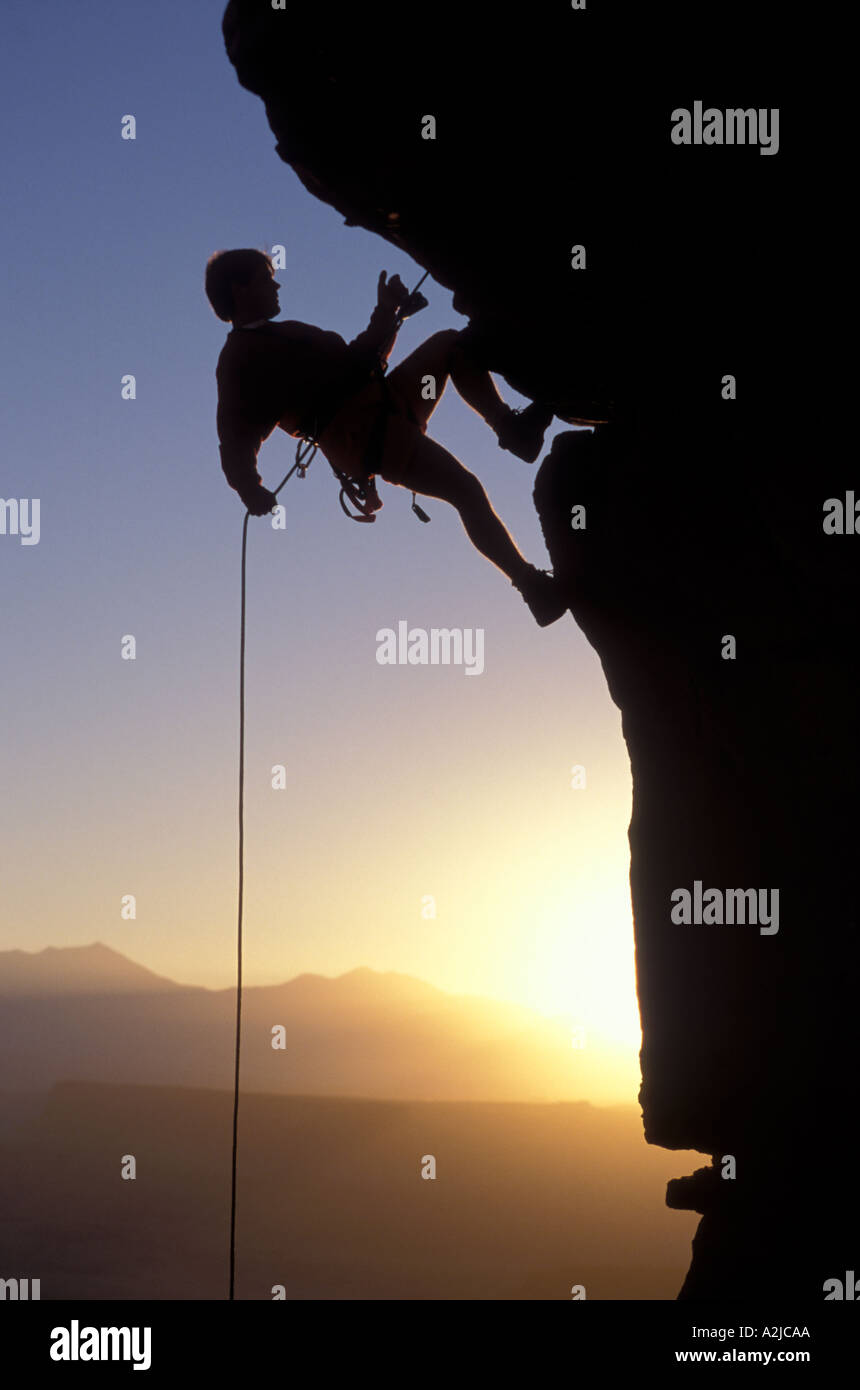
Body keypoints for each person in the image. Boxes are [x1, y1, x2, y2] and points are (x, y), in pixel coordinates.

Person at [206, 248, 568, 625]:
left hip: (396, 401)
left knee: (449, 346)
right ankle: (531, 587)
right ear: (240, 288)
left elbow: (359, 361)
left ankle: (512, 431)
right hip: (367, 436)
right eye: (266, 277)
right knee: (465, 490)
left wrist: (392, 312)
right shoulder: (240, 359)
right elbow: (235, 433)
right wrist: (249, 487)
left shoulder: (279, 334)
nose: (276, 283)